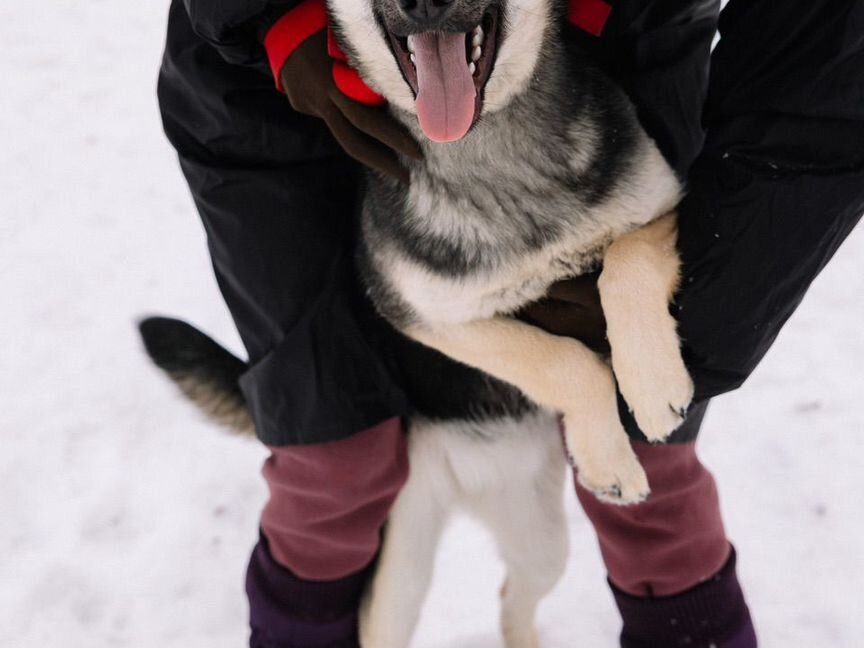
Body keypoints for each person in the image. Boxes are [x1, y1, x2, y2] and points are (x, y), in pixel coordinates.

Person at [157, 0, 864, 646]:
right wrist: (271, 17)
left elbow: (826, 63)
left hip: (626, 44)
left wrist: (704, 312)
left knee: (652, 454)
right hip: (261, 76)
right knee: (332, 465)